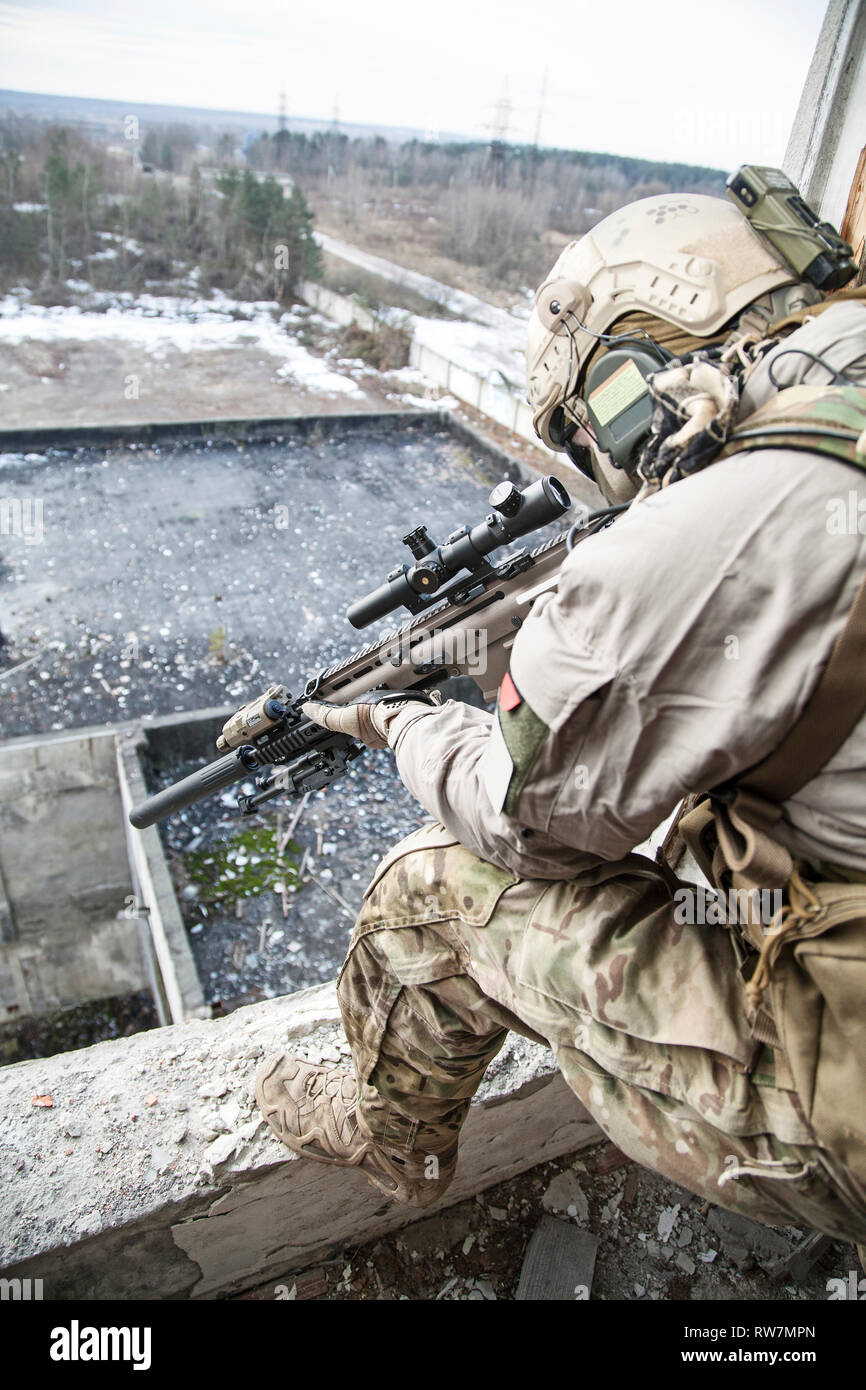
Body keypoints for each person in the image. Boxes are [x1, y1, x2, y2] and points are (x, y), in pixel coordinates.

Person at [255, 188, 866, 1250]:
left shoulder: (724, 517)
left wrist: (392, 726)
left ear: (632, 360)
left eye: (591, 425)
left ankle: (388, 1140)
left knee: (436, 890)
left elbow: (521, 819)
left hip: (846, 1087)